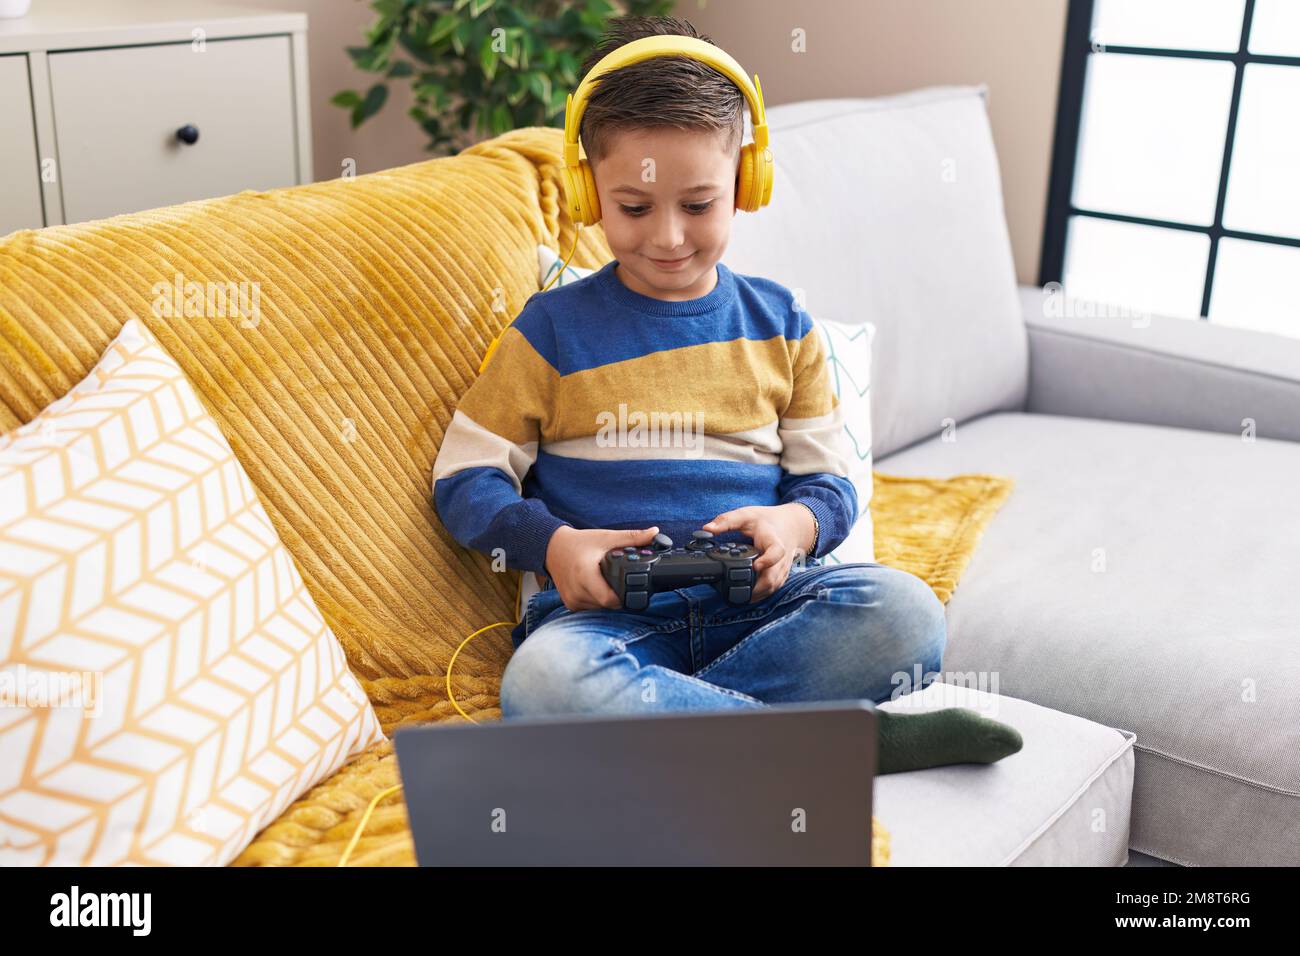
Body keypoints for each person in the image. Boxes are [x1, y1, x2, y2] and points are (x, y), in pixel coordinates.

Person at [432, 14, 1021, 774]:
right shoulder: (548, 332)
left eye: (699, 205)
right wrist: (553, 544)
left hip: (760, 610)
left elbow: (828, 484)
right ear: (588, 193)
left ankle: (666, 726)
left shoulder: (783, 326)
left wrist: (797, 527)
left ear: (746, 183)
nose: (670, 237)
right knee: (543, 683)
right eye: (635, 209)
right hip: (609, 620)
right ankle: (832, 747)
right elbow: (462, 479)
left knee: (904, 615)